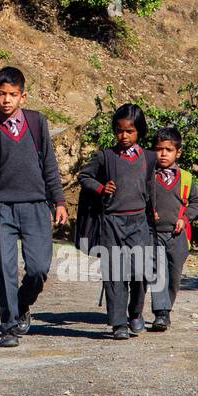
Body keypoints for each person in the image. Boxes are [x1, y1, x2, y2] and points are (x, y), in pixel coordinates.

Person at [0, 65, 68, 347]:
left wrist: (59, 200)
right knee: (5, 269)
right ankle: (9, 326)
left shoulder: (38, 123)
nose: (7, 100)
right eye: (1, 94)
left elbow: (49, 165)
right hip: (1, 209)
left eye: (12, 94)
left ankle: (22, 305)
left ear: (23, 96)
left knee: (39, 268)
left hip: (37, 206)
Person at [78, 103, 157, 340]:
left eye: (130, 131)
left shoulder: (149, 158)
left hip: (139, 222)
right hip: (111, 222)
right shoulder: (106, 157)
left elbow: (150, 188)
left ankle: (135, 313)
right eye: (119, 130)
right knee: (114, 273)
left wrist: (154, 213)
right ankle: (118, 322)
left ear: (139, 132)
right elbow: (84, 176)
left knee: (141, 271)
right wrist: (101, 188)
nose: (124, 136)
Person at [148, 126, 198, 331]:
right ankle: (161, 313)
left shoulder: (186, 178)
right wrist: (147, 211)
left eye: (168, 150)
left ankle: (167, 309)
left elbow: (197, 202)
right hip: (153, 233)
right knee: (157, 272)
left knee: (174, 275)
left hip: (178, 236)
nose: (163, 154)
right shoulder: (147, 175)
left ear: (177, 152)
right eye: (159, 149)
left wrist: (185, 218)